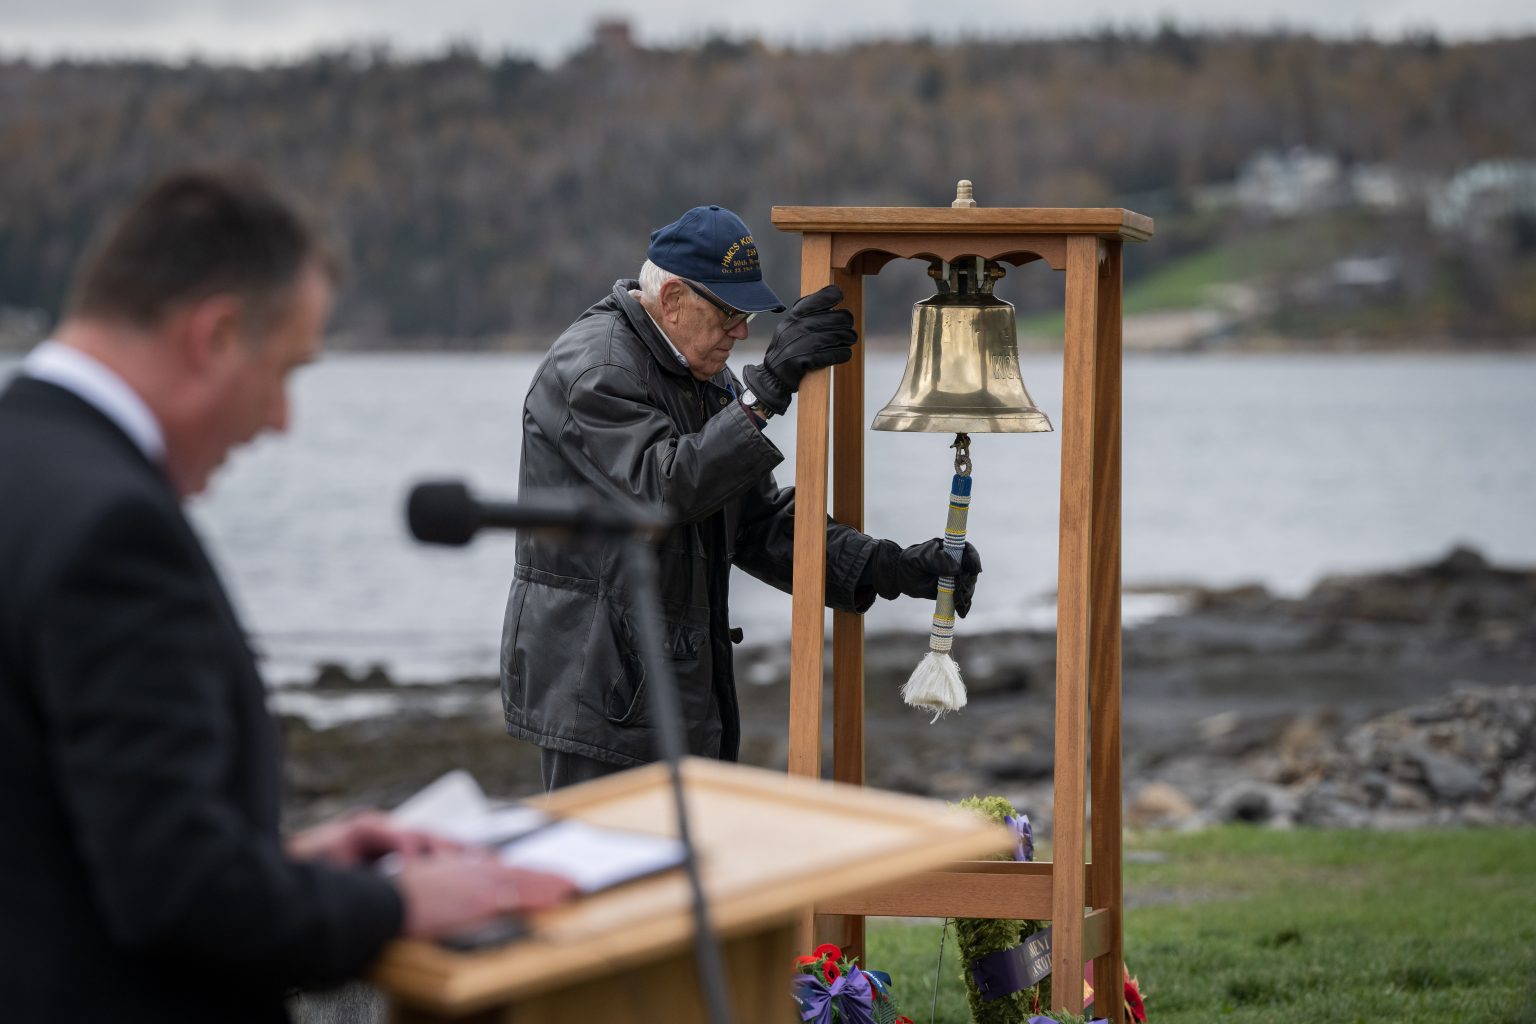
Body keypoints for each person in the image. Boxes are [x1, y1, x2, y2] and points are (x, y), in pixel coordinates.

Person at [0, 168, 575, 1023]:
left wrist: (289, 864)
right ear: (217, 335)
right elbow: (177, 898)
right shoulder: (115, 532)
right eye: (286, 371)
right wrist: (399, 904)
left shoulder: (23, 459)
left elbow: (65, 835)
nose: (280, 420)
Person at [502, 204, 983, 790]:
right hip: (599, 702)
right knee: (610, 882)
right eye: (730, 313)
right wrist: (766, 392)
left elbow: (758, 524)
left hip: (666, 692)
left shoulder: (702, 375)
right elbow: (663, 491)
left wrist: (893, 566)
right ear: (673, 298)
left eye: (748, 316)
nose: (742, 332)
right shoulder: (594, 369)